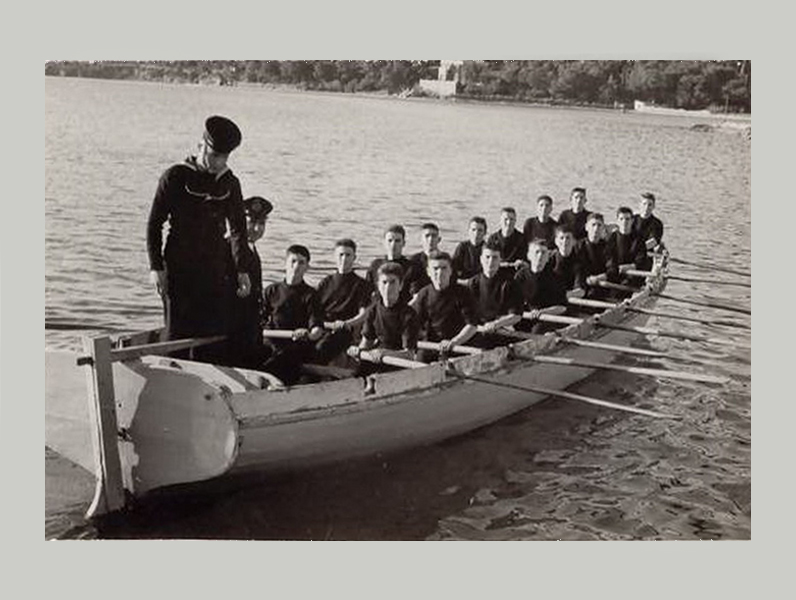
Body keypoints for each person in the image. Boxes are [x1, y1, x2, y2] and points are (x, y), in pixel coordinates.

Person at [146, 115, 250, 362]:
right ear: (200, 146)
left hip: (213, 269)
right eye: (214, 156)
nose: (218, 163)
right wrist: (156, 267)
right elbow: (154, 224)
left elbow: (238, 230)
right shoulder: (175, 176)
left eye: (224, 157)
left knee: (210, 336)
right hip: (178, 267)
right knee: (177, 334)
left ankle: (206, 380)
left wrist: (242, 270)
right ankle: (171, 374)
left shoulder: (230, 183)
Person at [261, 244, 324, 385]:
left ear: (307, 267)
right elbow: (259, 320)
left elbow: (317, 328)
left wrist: (308, 334)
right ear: (285, 263)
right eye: (293, 261)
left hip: (296, 345)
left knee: (282, 361)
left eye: (301, 263)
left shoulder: (311, 295)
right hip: (272, 341)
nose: (296, 266)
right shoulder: (271, 291)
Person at [228, 196, 273, 368]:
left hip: (250, 323)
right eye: (251, 222)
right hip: (235, 326)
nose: (257, 229)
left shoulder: (251, 248)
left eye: (262, 223)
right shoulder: (230, 248)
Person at [314, 239, 374, 365]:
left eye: (348, 255)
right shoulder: (325, 282)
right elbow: (314, 310)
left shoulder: (361, 285)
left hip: (344, 330)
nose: (344, 259)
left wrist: (346, 323)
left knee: (321, 348)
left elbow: (363, 314)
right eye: (341, 255)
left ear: (354, 258)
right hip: (323, 326)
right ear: (335, 257)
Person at [410, 250, 478, 359]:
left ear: (451, 271)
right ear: (428, 272)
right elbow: (415, 324)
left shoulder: (463, 293)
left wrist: (454, 342)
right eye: (435, 268)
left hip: (458, 345)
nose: (440, 273)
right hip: (431, 346)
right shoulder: (423, 294)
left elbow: (472, 326)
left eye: (444, 268)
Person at [356, 262, 420, 369]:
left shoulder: (409, 315)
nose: (388, 287)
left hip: (398, 365)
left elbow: (409, 355)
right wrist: (358, 351)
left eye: (392, 282)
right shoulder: (373, 310)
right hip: (377, 359)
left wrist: (385, 353)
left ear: (401, 286)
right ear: (378, 285)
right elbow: (366, 343)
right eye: (384, 282)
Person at [466, 240, 524, 348]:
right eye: (487, 257)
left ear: (500, 260)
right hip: (479, 329)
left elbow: (516, 316)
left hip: (503, 330)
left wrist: (495, 324)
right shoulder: (473, 283)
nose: (490, 261)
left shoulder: (510, 284)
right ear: (481, 259)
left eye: (495, 258)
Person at [514, 240, 567, 333]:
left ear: (547, 258)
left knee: (537, 330)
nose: (540, 256)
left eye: (543, 253)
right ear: (529, 256)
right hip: (525, 317)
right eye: (537, 252)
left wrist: (542, 312)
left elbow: (562, 307)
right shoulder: (520, 275)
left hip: (546, 319)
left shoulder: (555, 277)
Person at [366, 225, 413, 303]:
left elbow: (415, 296)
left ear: (403, 243)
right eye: (390, 240)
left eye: (397, 241)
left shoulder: (411, 267)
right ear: (384, 242)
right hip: (378, 307)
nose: (393, 245)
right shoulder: (375, 265)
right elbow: (367, 292)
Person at [605, 206, 648, 291]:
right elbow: (608, 257)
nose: (624, 222)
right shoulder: (612, 237)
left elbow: (641, 259)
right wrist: (614, 268)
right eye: (621, 219)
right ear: (617, 221)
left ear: (632, 221)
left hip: (633, 274)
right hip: (615, 272)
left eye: (627, 219)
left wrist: (630, 266)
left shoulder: (639, 239)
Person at [576, 212, 609, 297]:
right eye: (593, 225)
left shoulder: (608, 247)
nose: (596, 229)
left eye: (599, 225)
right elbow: (577, 268)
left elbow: (612, 268)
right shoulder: (577, 246)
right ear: (586, 227)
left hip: (601, 285)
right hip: (581, 285)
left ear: (603, 228)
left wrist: (598, 278)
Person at [405, 222, 442, 297]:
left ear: (439, 239)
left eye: (434, 236)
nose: (430, 239)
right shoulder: (414, 261)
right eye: (427, 236)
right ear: (421, 239)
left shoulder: (445, 260)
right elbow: (408, 283)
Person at [632, 192, 664, 269]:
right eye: (644, 204)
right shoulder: (632, 219)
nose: (646, 207)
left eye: (650, 205)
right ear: (640, 205)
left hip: (645, 258)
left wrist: (636, 249)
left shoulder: (657, 224)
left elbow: (653, 242)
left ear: (653, 207)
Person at [550, 225, 585, 295]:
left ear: (574, 241)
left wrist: (563, 295)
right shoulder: (549, 259)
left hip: (572, 298)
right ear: (556, 241)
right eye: (561, 238)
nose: (565, 241)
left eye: (568, 238)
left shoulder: (579, 261)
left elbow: (580, 291)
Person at [452, 216, 487, 283]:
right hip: (463, 281)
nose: (476, 233)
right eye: (473, 230)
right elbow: (454, 268)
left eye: (480, 230)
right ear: (468, 231)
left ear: (485, 233)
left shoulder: (487, 249)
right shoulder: (462, 247)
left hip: (480, 283)